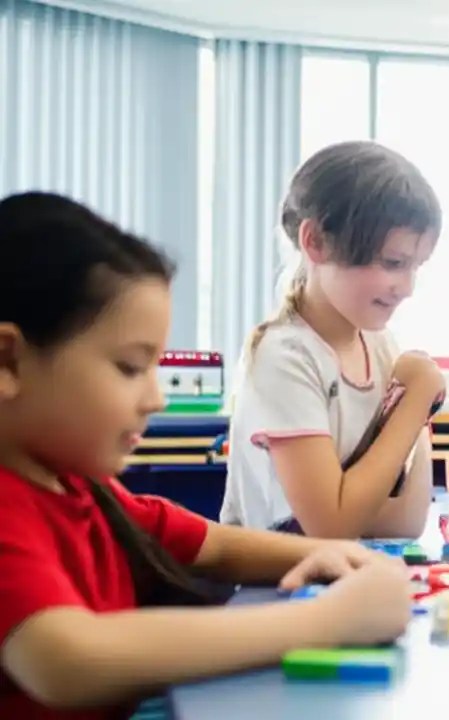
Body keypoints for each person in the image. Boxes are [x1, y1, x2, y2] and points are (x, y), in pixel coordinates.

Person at [0, 192, 414, 720]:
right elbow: (65, 659)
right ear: (8, 360)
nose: (156, 398)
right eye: (130, 367)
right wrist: (330, 621)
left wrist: (345, 561)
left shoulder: (80, 489)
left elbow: (211, 545)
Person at [223, 141, 447, 538]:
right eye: (393, 263)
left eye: (417, 266)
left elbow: (405, 523)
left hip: (345, 575)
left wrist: (416, 402)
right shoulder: (284, 357)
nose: (407, 287)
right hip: (271, 587)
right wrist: (418, 396)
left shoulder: (380, 347)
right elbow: (333, 527)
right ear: (316, 242)